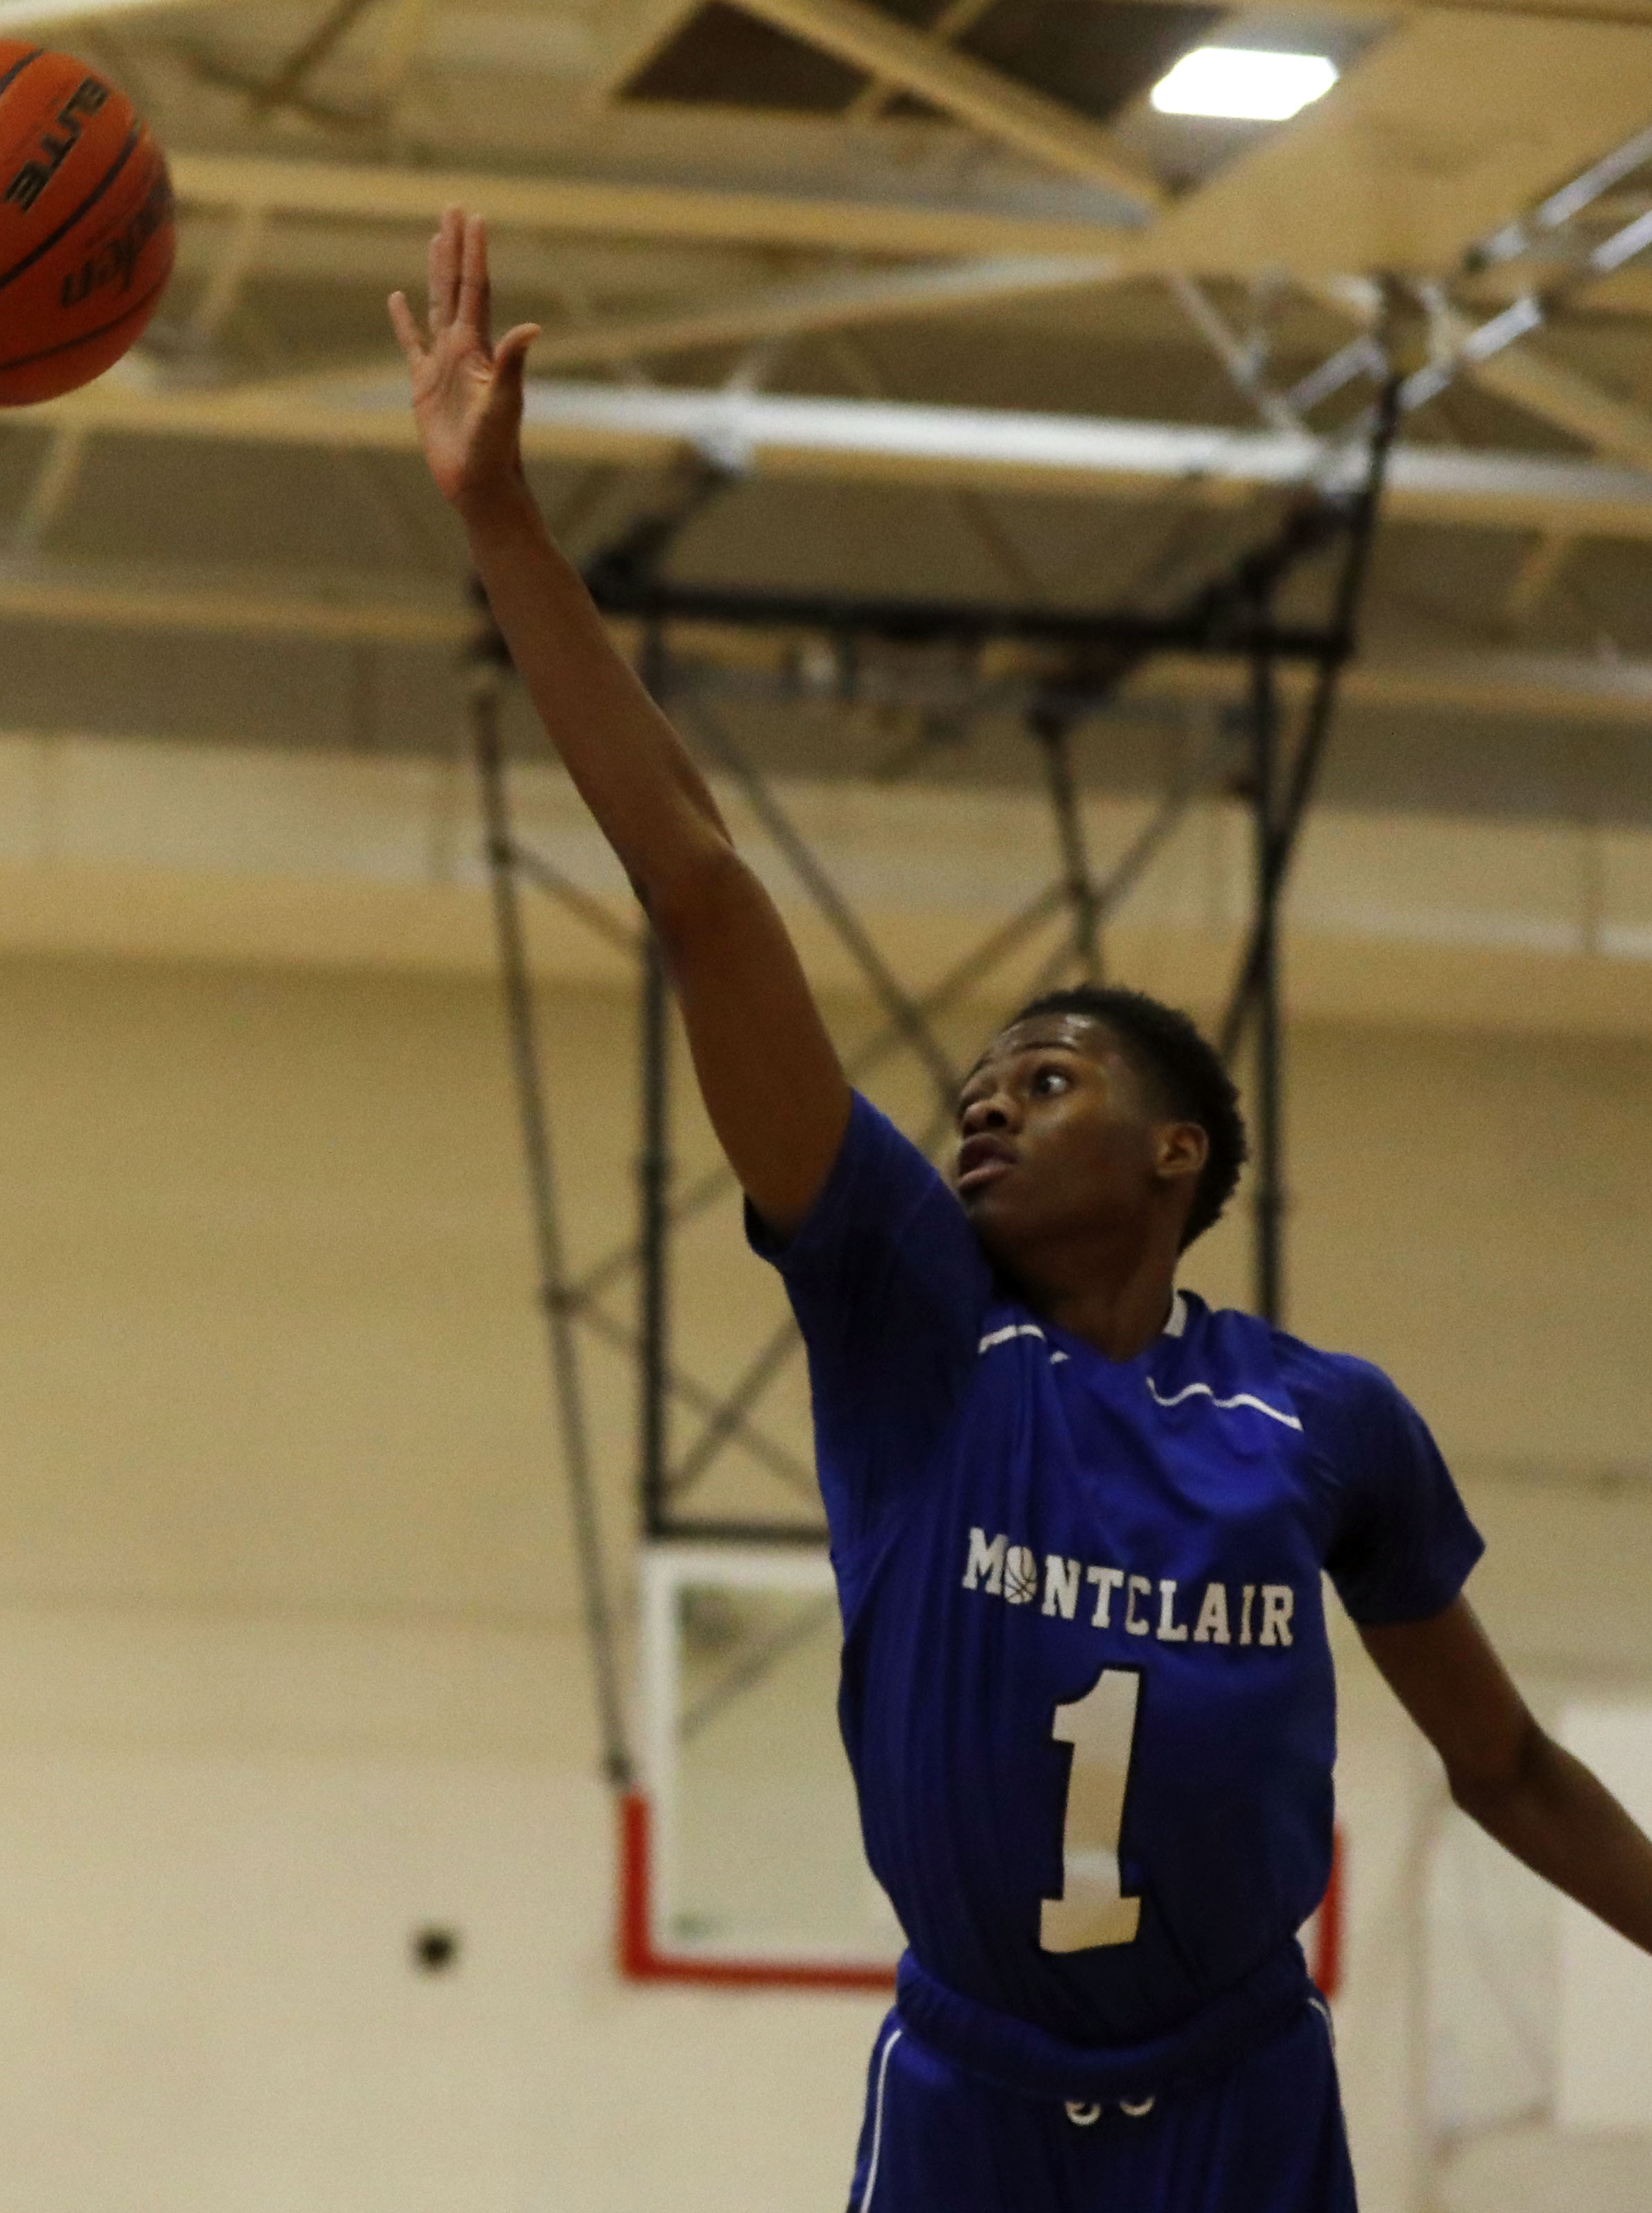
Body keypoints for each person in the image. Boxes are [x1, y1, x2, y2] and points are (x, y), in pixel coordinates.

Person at [391, 209, 1652, 2210]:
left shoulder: (1322, 1423)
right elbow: (702, 889)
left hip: (1240, 2086)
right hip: (975, 2086)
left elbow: (1496, 1766)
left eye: (1044, 1081)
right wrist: (506, 529)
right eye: (973, 1086)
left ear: (1176, 1155)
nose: (981, 1106)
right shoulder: (908, 1318)